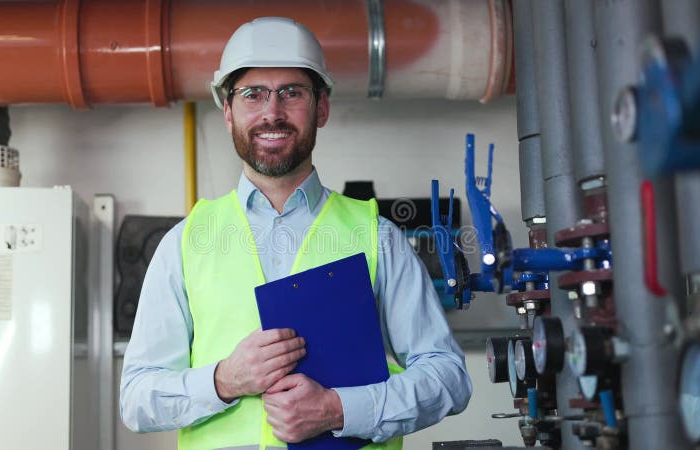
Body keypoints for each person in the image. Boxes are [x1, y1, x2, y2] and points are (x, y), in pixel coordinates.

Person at [120, 16, 472, 450]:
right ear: (227, 112)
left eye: (292, 93)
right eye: (253, 94)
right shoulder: (184, 245)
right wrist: (223, 380)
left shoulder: (377, 238)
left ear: (321, 107)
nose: (272, 111)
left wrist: (341, 410)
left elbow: (449, 377)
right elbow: (136, 399)